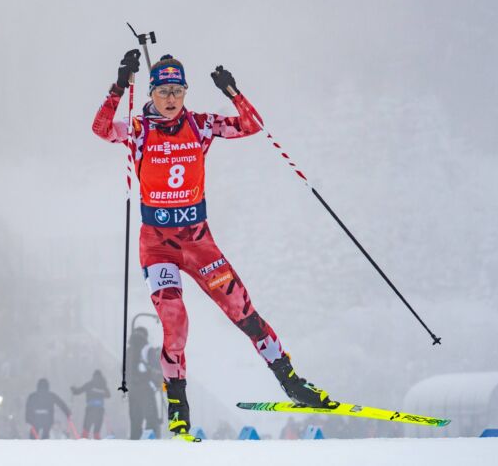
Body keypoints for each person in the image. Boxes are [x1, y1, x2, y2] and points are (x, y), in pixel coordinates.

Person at [93, 52, 337, 440]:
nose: (171, 99)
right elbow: (102, 128)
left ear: (186, 93)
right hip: (157, 247)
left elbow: (252, 125)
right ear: (152, 93)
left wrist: (232, 92)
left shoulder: (201, 126)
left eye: (178, 91)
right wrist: (119, 84)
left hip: (198, 243)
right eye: (163, 91)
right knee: (175, 321)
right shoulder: (138, 130)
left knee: (243, 311)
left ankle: (293, 383)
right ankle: (178, 408)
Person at [126, 326, 162, 439]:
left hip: (132, 390)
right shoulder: (148, 349)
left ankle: (135, 445)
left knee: (135, 421)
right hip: (146, 389)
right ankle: (150, 444)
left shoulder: (128, 351)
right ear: (145, 336)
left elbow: (124, 371)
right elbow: (155, 368)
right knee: (152, 419)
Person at [71, 370, 111, 439]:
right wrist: (101, 393)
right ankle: (97, 444)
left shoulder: (89, 384)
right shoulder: (103, 385)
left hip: (90, 409)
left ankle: (83, 443)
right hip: (100, 410)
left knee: (86, 429)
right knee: (97, 431)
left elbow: (77, 392)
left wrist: (73, 389)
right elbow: (109, 395)